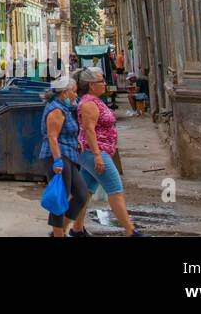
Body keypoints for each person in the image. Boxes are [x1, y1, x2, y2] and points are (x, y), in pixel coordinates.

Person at [77, 67, 145, 236]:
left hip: (96, 152)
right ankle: (130, 231)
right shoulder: (89, 104)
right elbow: (89, 130)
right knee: (115, 190)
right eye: (101, 81)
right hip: (95, 152)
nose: (105, 84)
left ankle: (73, 229)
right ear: (92, 85)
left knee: (83, 194)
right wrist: (98, 156)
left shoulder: (95, 101)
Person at [39, 70, 92, 237]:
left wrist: (75, 140)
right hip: (58, 157)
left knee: (82, 194)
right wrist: (57, 161)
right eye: (74, 91)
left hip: (68, 155)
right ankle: (58, 234)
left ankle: (60, 229)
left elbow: (64, 131)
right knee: (59, 198)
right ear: (64, 92)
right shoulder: (56, 110)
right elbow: (52, 137)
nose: (75, 95)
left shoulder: (65, 108)